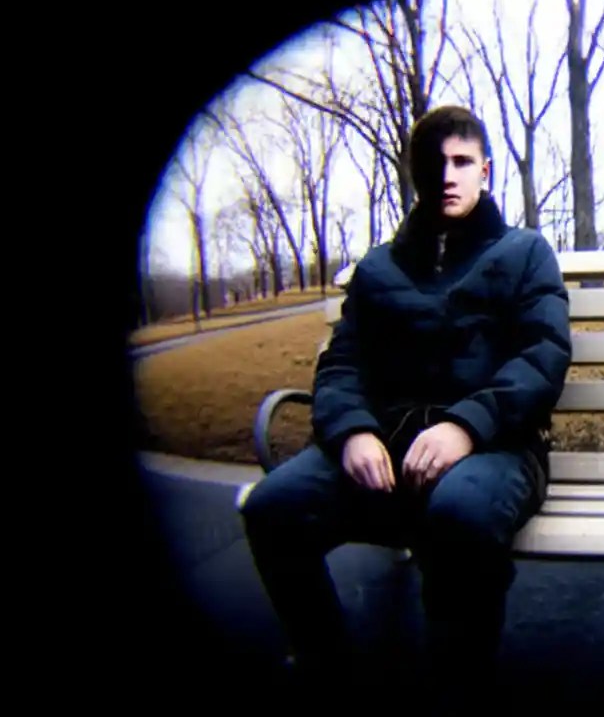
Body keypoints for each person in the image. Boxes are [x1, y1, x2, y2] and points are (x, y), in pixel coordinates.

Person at [239, 105, 572, 700]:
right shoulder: (378, 267)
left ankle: (456, 683)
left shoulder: (525, 253)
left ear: (485, 171)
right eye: (433, 163)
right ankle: (326, 664)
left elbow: (542, 356)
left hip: (495, 445)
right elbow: (342, 363)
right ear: (415, 174)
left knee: (460, 514)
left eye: (462, 161)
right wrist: (352, 433)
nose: (447, 174)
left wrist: (465, 427)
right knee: (271, 509)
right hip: (384, 443)